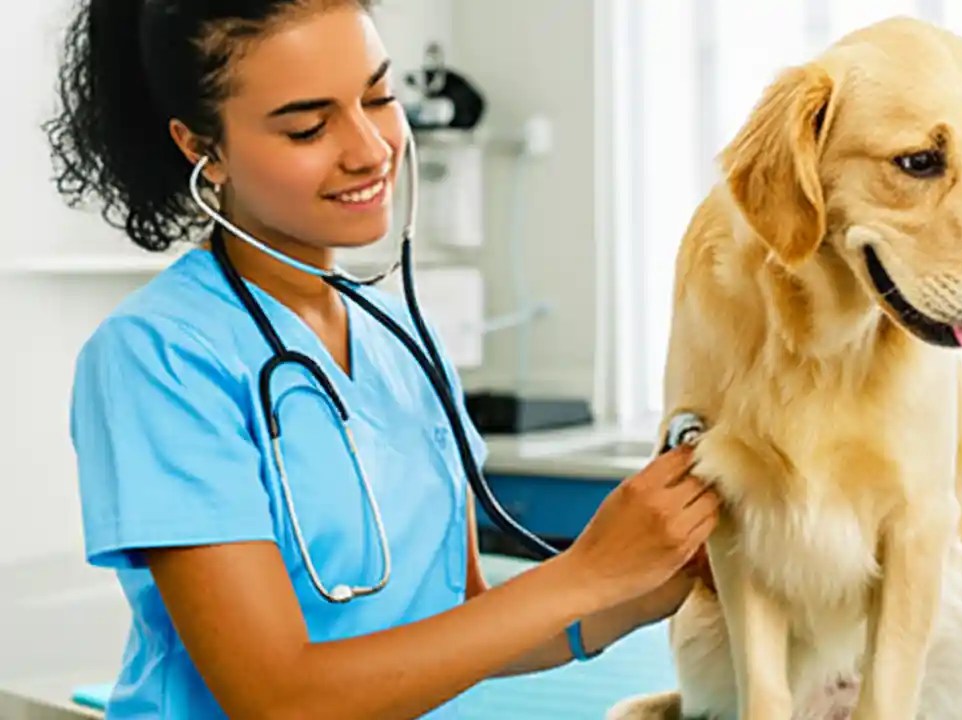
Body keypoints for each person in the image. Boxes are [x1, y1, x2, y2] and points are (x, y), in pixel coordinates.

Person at [44, 1, 721, 717]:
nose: (370, 150)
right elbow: (278, 699)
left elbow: (463, 621)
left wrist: (650, 581)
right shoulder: (159, 357)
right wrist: (586, 572)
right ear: (202, 148)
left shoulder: (403, 340)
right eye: (308, 127)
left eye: (377, 97)